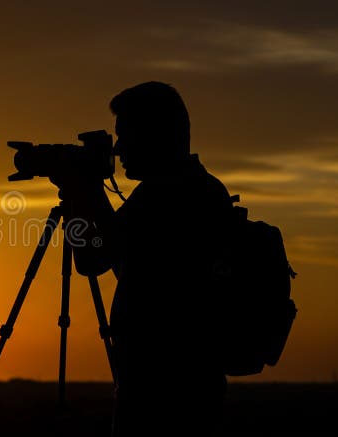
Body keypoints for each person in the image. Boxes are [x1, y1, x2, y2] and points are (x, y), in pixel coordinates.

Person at [57, 82, 233, 436]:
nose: (119, 148)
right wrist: (86, 193)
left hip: (163, 394)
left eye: (126, 135)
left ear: (156, 134)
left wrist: (83, 192)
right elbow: (117, 251)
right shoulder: (196, 189)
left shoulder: (167, 198)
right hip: (185, 387)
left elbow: (93, 257)